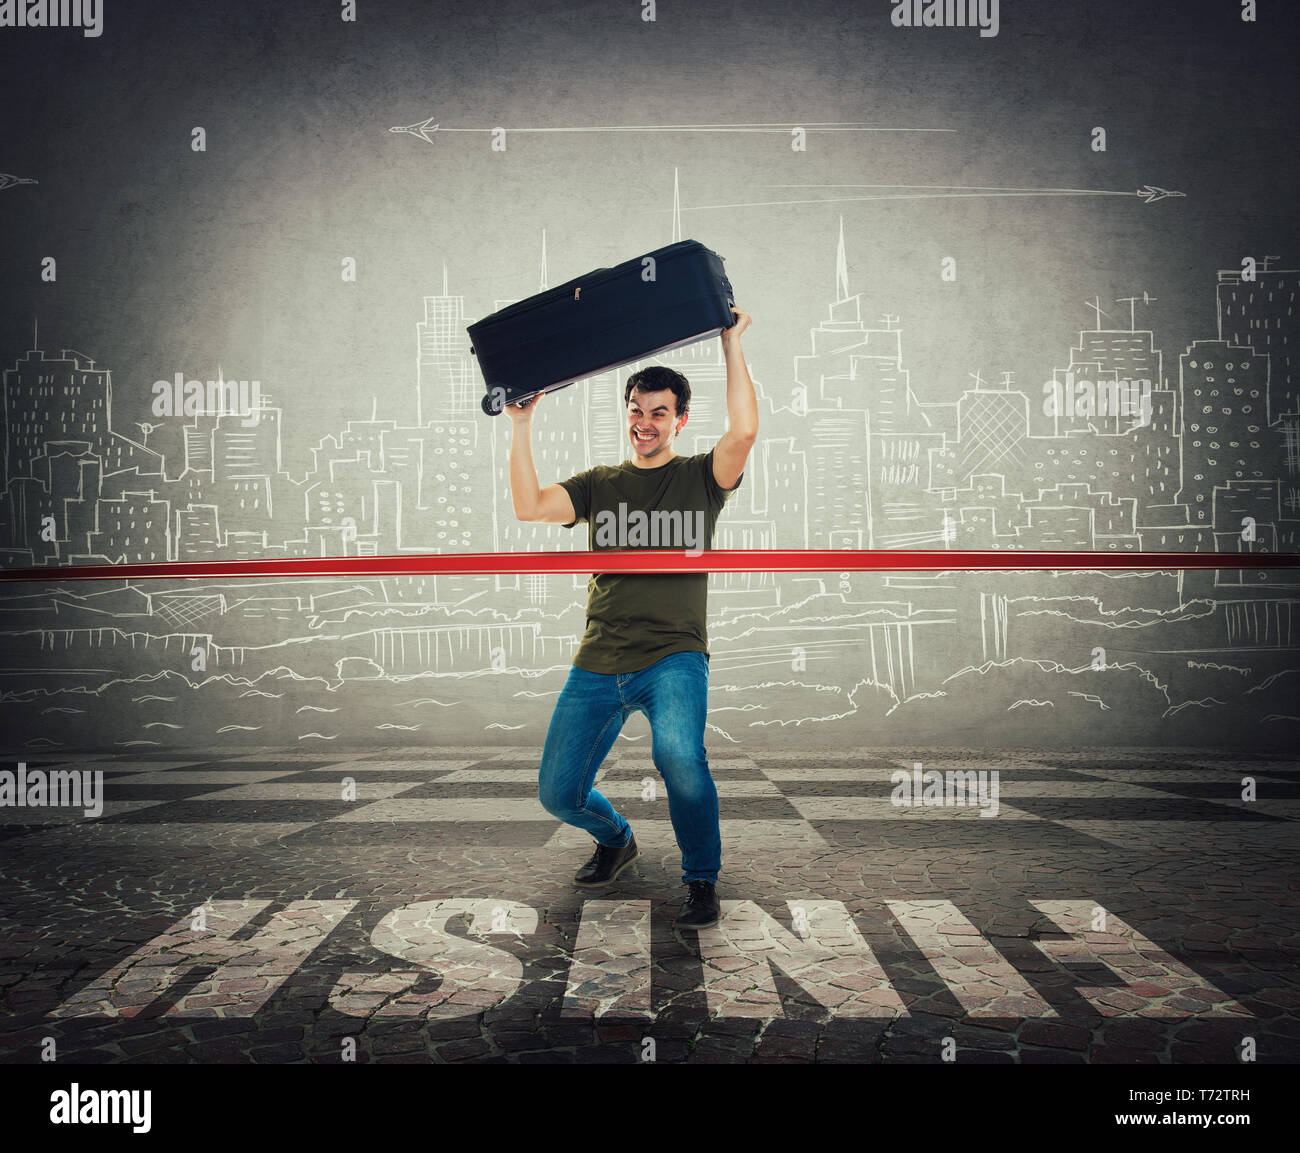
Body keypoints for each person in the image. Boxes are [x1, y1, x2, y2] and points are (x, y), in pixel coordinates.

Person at [506, 307, 757, 929]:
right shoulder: (600, 483)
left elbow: (745, 432)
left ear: (680, 420)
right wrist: (521, 423)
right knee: (557, 793)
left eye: (659, 413)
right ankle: (616, 839)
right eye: (637, 410)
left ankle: (700, 879)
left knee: (679, 758)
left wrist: (731, 342)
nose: (645, 423)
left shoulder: (701, 478)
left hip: (674, 655)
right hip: (600, 657)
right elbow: (529, 507)